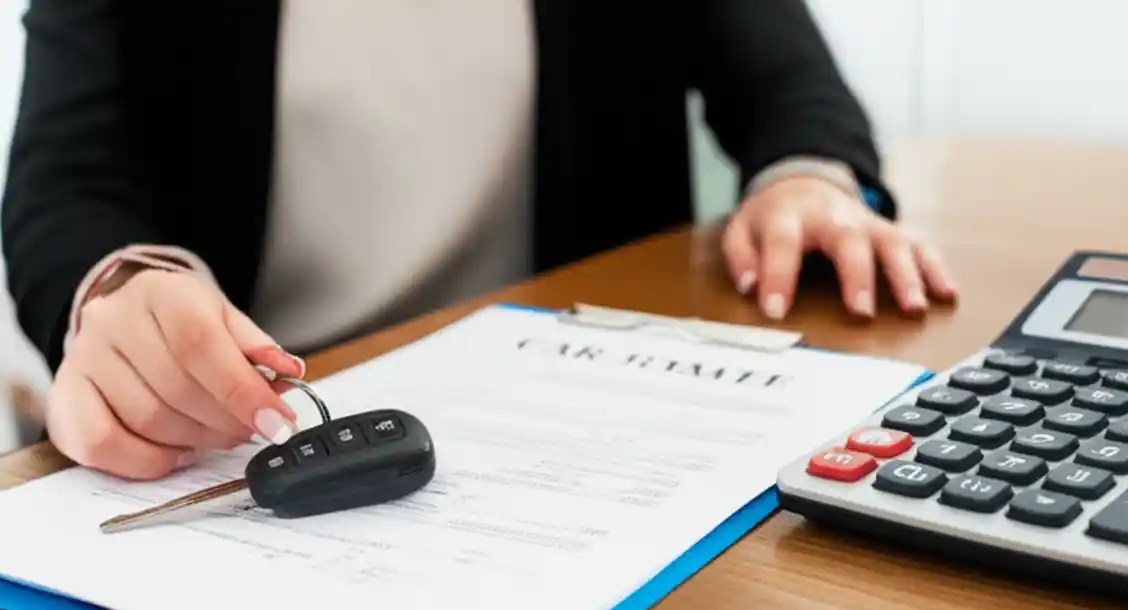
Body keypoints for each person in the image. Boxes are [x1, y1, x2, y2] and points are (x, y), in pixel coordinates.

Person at [2, 0, 956, 481]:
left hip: (576, 417)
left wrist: (805, 178)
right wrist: (118, 287)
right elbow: (64, 181)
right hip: (257, 420)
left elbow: (791, 86)